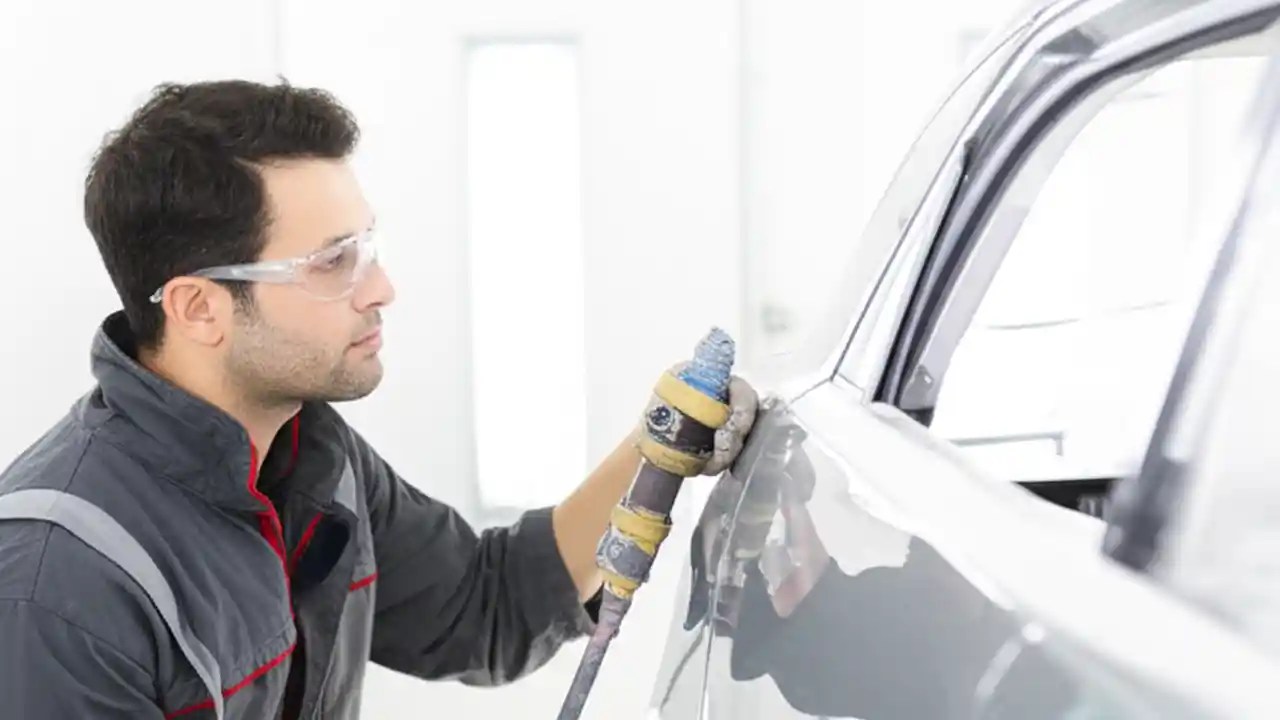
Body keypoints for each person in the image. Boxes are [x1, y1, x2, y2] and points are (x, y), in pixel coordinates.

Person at [0, 79, 758, 719]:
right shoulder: (59, 584)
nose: (381, 290)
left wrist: (659, 445)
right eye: (333, 262)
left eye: (368, 247)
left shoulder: (311, 459)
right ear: (200, 308)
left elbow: (483, 608)